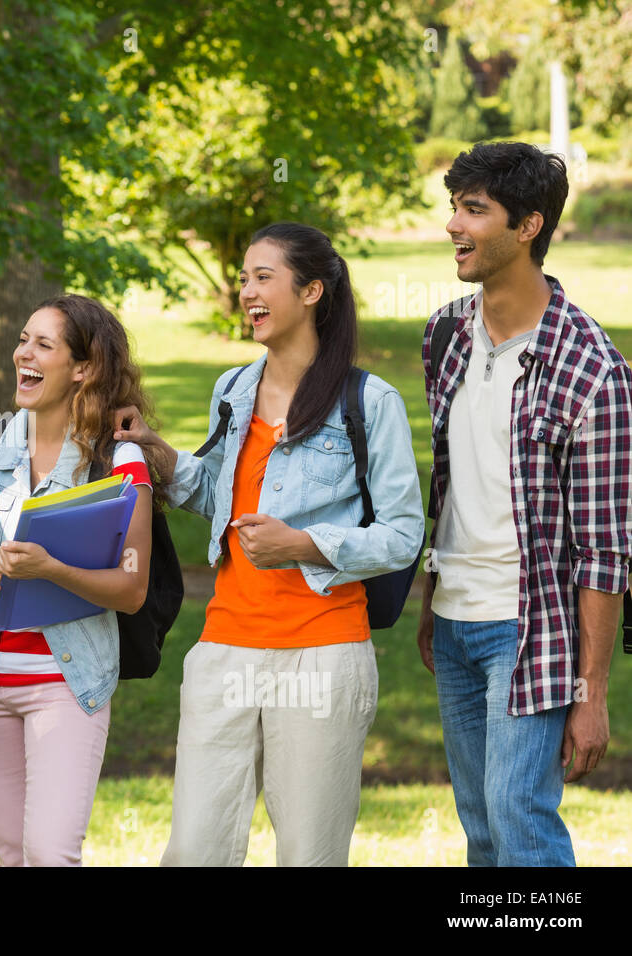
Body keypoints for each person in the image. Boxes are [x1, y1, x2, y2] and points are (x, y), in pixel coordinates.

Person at [115, 222, 424, 866]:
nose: (247, 292)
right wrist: (158, 453)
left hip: (322, 654)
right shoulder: (232, 389)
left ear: (311, 290)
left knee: (309, 853)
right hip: (224, 649)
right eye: (244, 278)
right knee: (196, 851)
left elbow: (402, 535)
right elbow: (216, 498)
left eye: (264, 278)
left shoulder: (369, 402)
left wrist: (304, 544)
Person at [417, 142, 632, 866]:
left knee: (519, 819)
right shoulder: (445, 335)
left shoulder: (592, 370)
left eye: (474, 210)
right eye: (455, 207)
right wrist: (429, 601)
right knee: (481, 825)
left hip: (527, 628)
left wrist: (592, 691)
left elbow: (607, 548)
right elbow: (451, 484)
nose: (454, 225)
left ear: (529, 226)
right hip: (453, 620)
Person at [0, 294, 160, 866]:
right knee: (12, 852)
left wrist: (51, 570)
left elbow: (131, 589)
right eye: (21, 339)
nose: (23, 355)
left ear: (82, 368)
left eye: (43, 344)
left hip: (65, 683)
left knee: (50, 852)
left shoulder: (118, 460)